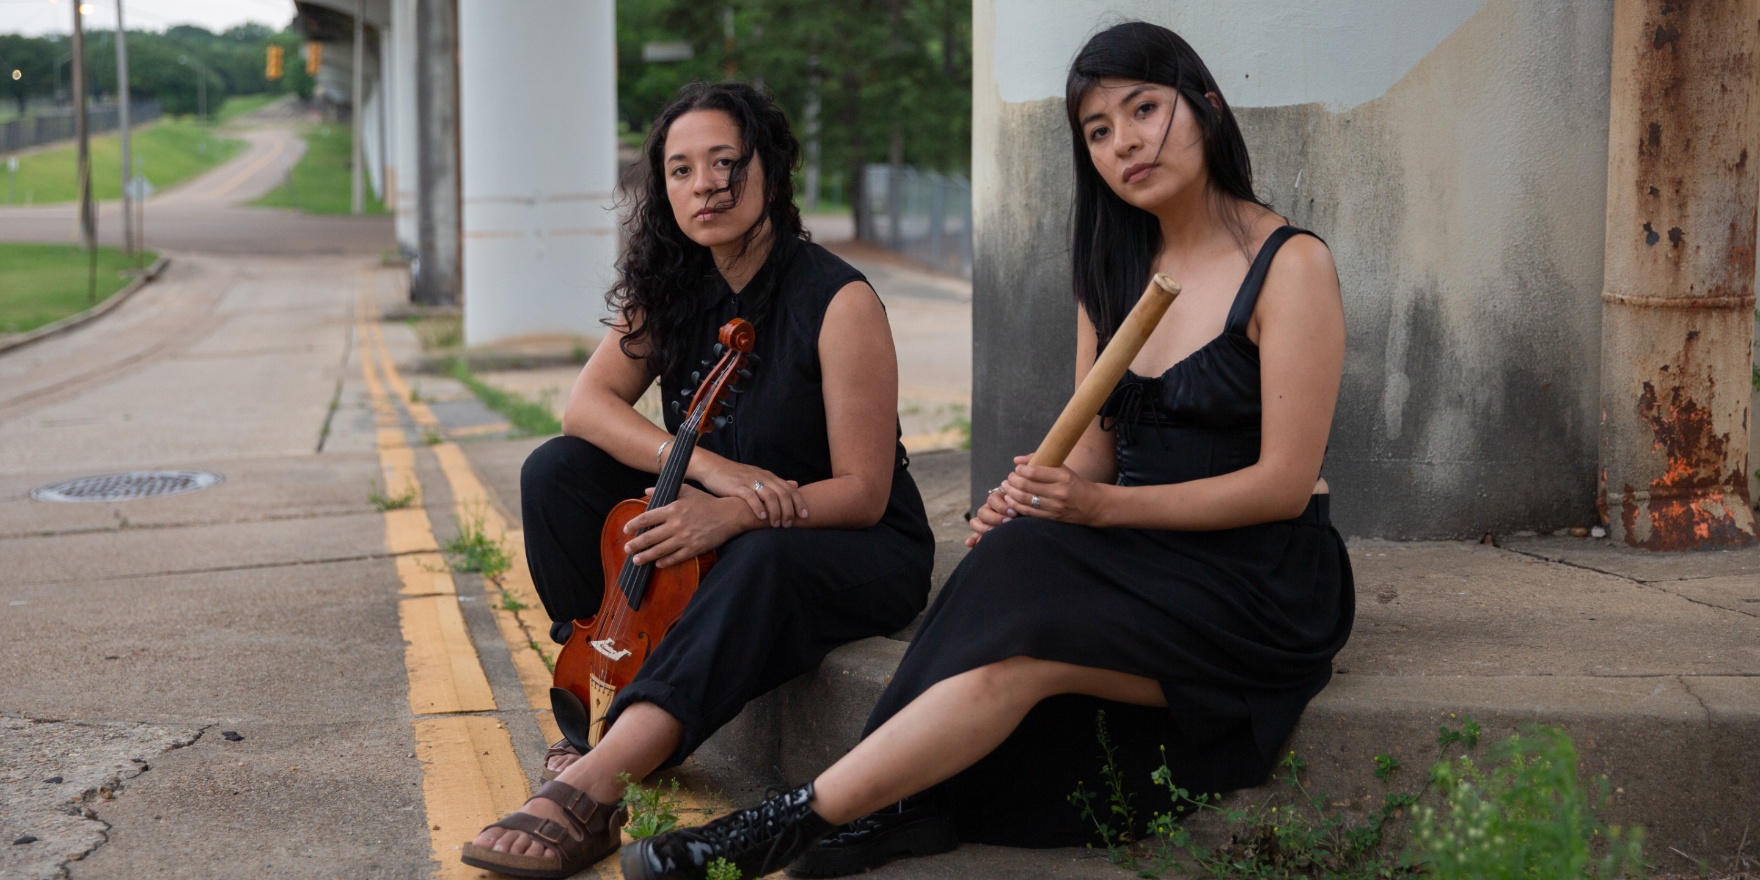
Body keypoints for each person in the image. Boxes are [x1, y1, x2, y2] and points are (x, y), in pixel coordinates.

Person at [620, 21, 1356, 880]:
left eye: (1146, 109)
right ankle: (858, 813)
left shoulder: (1290, 264)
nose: (1127, 143)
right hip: (1143, 556)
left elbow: (1282, 484)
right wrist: (1046, 490)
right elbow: (1094, 456)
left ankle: (795, 822)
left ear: (1208, 108)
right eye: (1098, 131)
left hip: (1257, 579)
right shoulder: (1113, 269)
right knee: (1013, 595)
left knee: (1024, 579)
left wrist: (1097, 508)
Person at [460, 81, 935, 879]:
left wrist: (734, 515)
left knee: (762, 557)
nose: (704, 184)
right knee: (557, 473)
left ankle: (594, 784)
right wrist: (709, 473)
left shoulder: (839, 299)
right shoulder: (673, 286)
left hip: (848, 542)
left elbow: (863, 492)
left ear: (770, 174)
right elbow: (586, 404)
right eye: (680, 170)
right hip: (732, 517)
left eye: (725, 162)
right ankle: (608, 682)